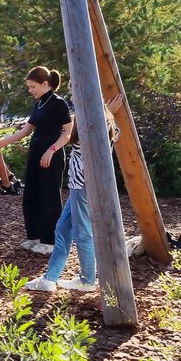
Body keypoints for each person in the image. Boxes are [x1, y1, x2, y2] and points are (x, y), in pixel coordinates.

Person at [26, 98, 121, 293]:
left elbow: (73, 137)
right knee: (62, 228)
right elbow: (114, 135)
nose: (71, 97)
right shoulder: (103, 118)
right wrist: (109, 112)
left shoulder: (89, 120)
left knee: (82, 232)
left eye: (73, 90)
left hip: (82, 183)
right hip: (81, 183)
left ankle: (87, 280)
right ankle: (50, 278)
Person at [0, 66, 73, 255]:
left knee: (49, 198)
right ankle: (34, 236)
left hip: (50, 157)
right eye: (29, 87)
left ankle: (49, 240)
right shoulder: (38, 104)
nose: (30, 90)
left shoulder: (58, 103)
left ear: (45, 84)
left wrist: (52, 150)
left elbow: (68, 133)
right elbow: (25, 131)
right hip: (35, 155)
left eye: (32, 86)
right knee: (31, 195)